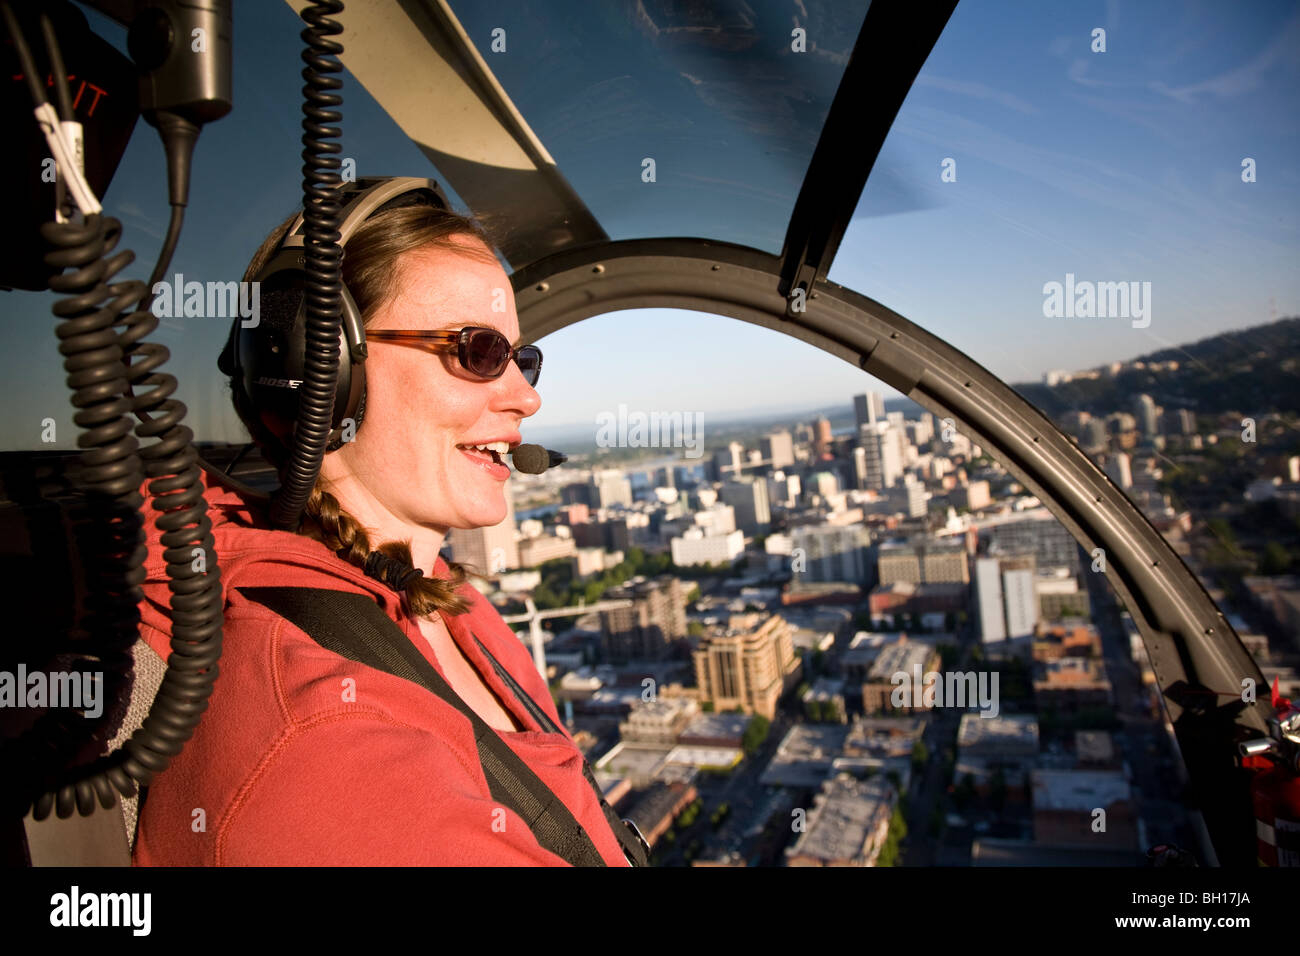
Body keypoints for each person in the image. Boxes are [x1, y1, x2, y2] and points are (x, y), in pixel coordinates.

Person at [131, 182, 635, 866]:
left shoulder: (449, 606)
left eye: (522, 358)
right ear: (325, 369)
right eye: (479, 351)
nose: (526, 396)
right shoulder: (329, 747)